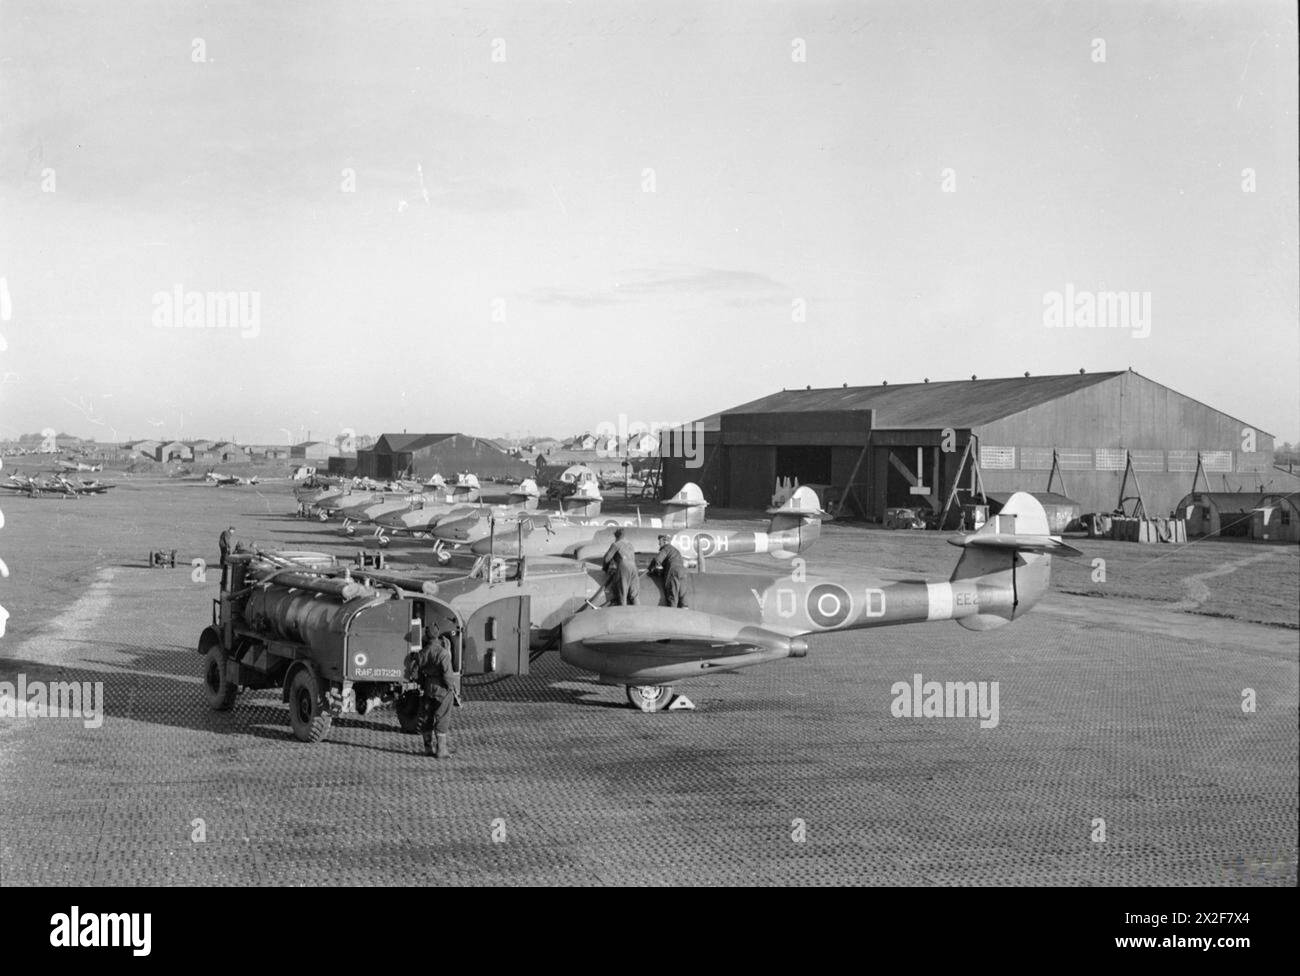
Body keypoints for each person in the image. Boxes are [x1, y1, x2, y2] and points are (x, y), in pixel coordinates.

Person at [405, 630, 460, 758]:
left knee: (427, 718)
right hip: (442, 690)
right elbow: (447, 675)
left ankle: (428, 749)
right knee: (442, 718)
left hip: (428, 689)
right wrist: (452, 688)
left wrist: (423, 682)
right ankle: (441, 750)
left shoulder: (421, 653)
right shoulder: (443, 653)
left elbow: (414, 673)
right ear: (438, 637)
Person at [648, 534, 689, 608]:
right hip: (683, 573)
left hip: (673, 572)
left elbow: (658, 560)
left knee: (672, 596)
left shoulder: (666, 548)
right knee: (683, 598)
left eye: (659, 541)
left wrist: (650, 568)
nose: (659, 544)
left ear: (664, 541)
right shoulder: (675, 550)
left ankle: (672, 615)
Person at [601, 527, 639, 606]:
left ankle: (622, 614)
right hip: (634, 568)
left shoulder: (616, 544)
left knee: (622, 593)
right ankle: (638, 613)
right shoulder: (630, 544)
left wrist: (605, 568)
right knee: (634, 595)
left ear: (616, 536)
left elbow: (607, 558)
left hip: (624, 567)